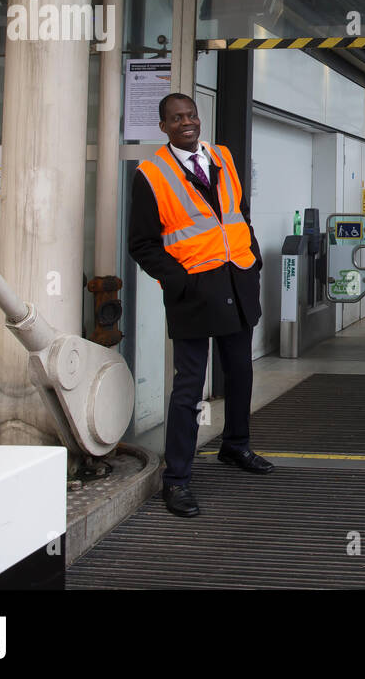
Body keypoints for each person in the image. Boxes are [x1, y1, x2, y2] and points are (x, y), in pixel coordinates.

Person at [129, 92, 273, 519]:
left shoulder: (223, 157)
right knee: (189, 387)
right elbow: (142, 244)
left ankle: (236, 446)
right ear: (163, 127)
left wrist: (254, 261)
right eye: (176, 118)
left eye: (191, 115)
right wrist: (180, 281)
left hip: (237, 279)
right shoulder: (151, 174)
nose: (186, 123)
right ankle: (176, 480)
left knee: (241, 371)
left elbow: (239, 215)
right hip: (193, 291)